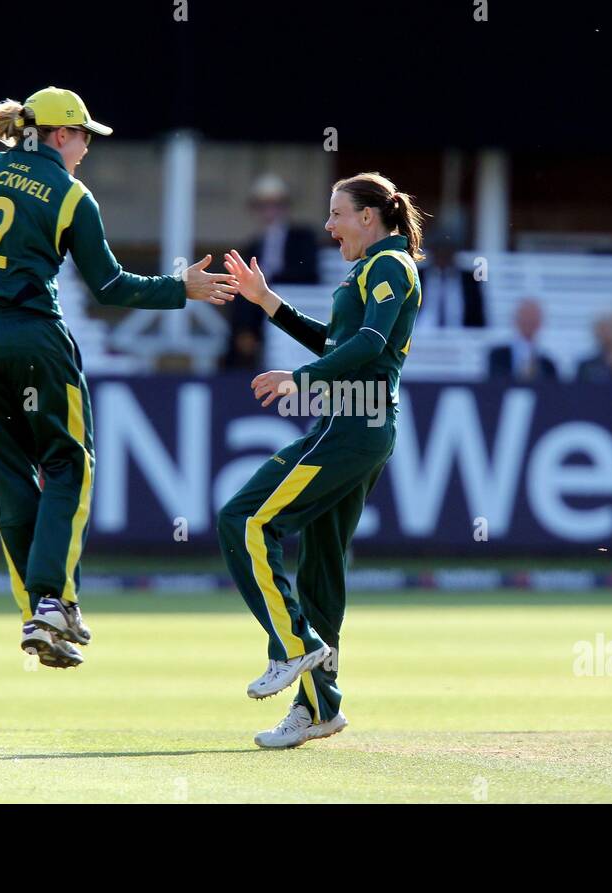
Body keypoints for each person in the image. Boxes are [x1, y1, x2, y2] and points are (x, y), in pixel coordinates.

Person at [0, 87, 236, 669]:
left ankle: (37, 612)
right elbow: (111, 287)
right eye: (85, 136)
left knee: (10, 482)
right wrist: (182, 288)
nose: (88, 148)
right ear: (60, 134)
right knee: (69, 463)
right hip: (33, 339)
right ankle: (52, 600)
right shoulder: (71, 196)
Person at [217, 172, 424, 749]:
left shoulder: (389, 265)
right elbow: (340, 343)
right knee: (322, 567)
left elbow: (368, 347)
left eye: (338, 213)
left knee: (244, 519)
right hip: (358, 424)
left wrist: (298, 380)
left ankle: (293, 644)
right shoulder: (371, 268)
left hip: (352, 425)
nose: (328, 226)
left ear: (369, 216)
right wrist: (268, 303)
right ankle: (318, 708)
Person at [221, 175, 321, 371]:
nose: (269, 211)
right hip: (259, 308)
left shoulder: (302, 237)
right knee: (238, 294)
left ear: (286, 207)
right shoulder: (253, 245)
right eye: (262, 206)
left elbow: (309, 272)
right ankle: (241, 347)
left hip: (293, 304)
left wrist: (269, 281)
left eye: (275, 205)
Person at [414, 225, 485, 330]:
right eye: (438, 250)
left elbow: (479, 318)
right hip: (420, 335)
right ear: (431, 252)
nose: (443, 255)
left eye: (448, 250)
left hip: (461, 336)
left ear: (454, 253)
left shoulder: (470, 280)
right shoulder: (417, 276)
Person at [488, 298, 556, 381]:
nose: (528, 323)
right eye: (525, 318)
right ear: (516, 320)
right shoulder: (497, 357)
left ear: (539, 323)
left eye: (532, 319)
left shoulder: (548, 365)